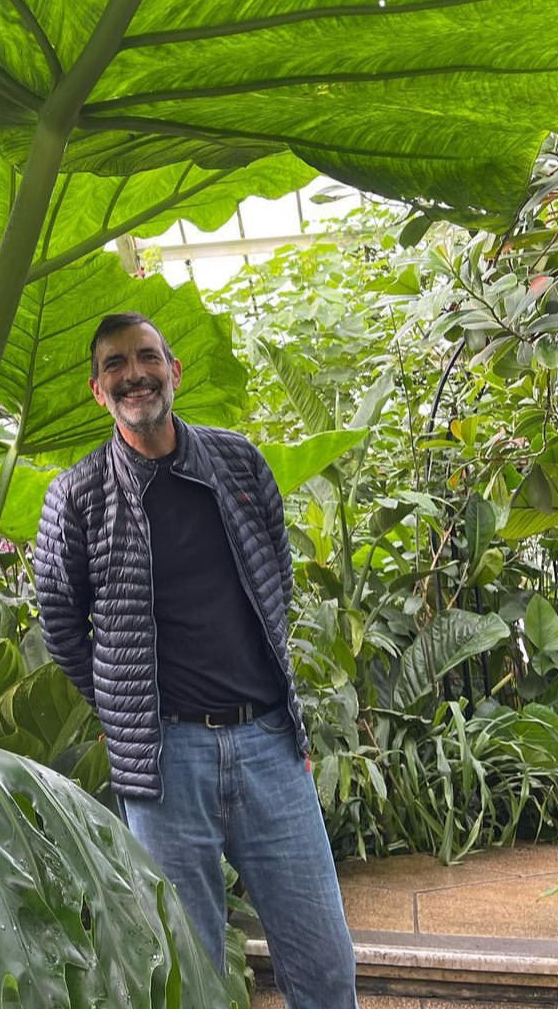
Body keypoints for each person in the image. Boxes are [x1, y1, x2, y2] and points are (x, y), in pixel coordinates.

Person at [34, 312, 357, 1008]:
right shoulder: (78, 496)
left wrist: (284, 717)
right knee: (191, 974)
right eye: (115, 365)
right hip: (164, 760)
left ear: (174, 371)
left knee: (325, 964)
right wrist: (123, 709)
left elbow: (275, 572)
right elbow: (60, 620)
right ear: (98, 390)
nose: (133, 374)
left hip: (268, 743)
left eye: (146, 357)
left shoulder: (238, 462)